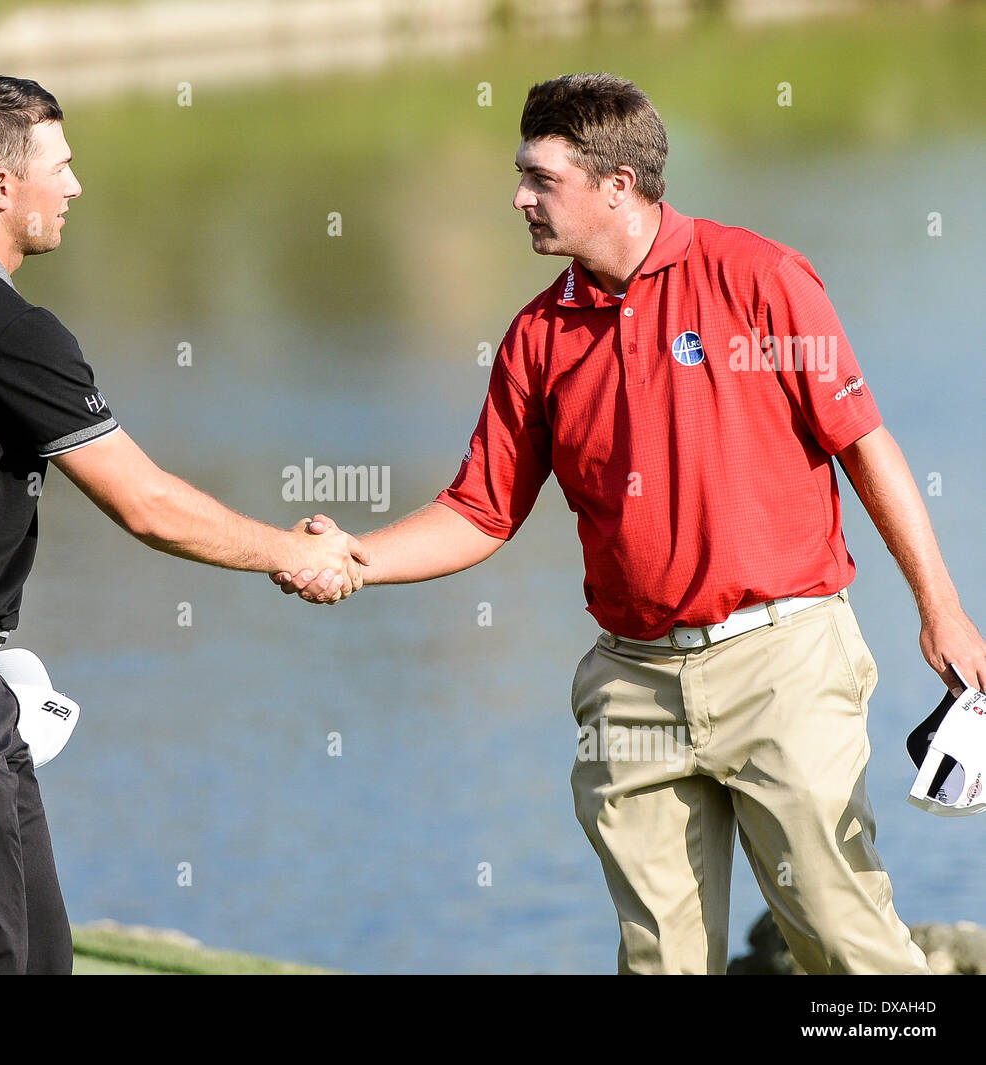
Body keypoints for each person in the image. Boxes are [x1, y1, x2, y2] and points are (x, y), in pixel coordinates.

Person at [274, 72, 986, 974]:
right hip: (633, 681)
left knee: (842, 940)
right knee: (659, 960)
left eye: (541, 178)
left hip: (785, 659)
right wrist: (356, 557)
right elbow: (479, 511)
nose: (520, 198)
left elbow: (865, 446)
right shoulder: (538, 336)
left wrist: (942, 605)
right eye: (521, 175)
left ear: (617, 184)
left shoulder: (761, 277)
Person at [0, 75, 366, 975]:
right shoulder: (12, 328)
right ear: (1, 187)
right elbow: (146, 504)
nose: (76, 185)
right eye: (62, 165)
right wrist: (292, 551)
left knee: (38, 958)